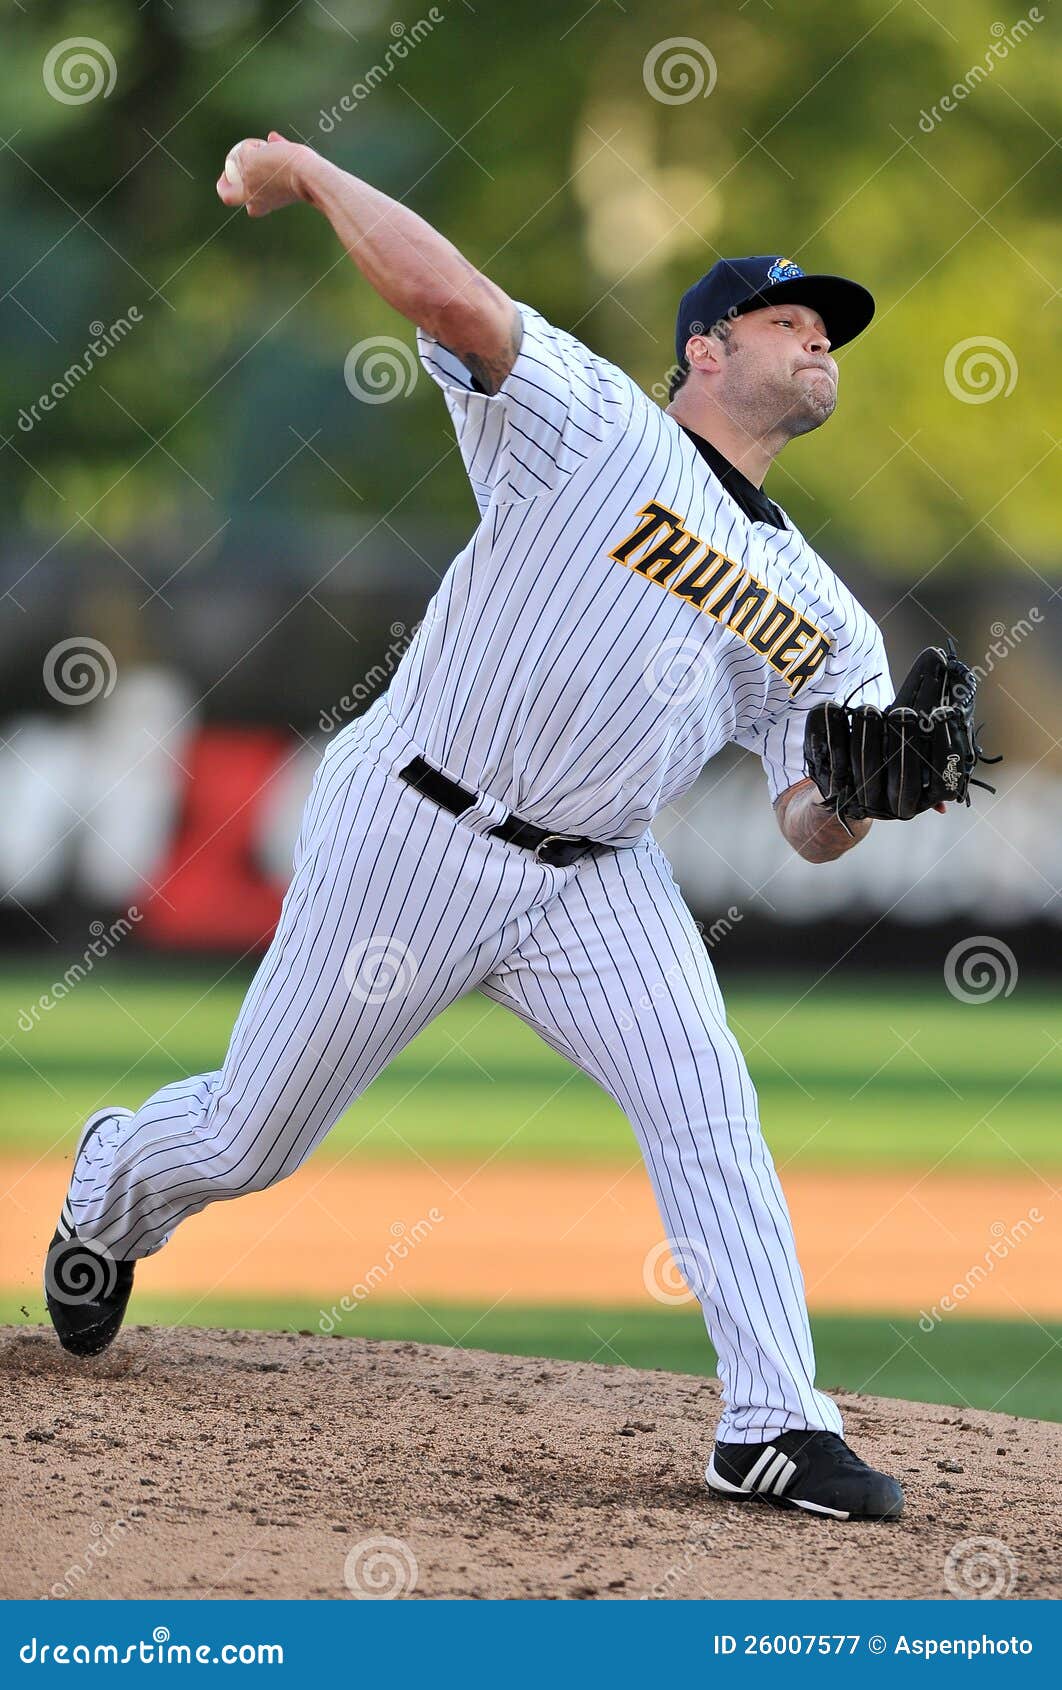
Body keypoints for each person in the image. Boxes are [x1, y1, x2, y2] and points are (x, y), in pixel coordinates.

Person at [47, 134, 904, 1521]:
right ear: (702, 350)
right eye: (787, 319)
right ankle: (112, 1181)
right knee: (253, 1139)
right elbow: (450, 300)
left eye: (828, 332)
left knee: (707, 1104)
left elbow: (808, 826)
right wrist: (311, 171)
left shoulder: (829, 618)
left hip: (597, 877)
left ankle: (772, 1422)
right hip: (416, 822)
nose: (819, 340)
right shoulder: (597, 421)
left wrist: (861, 794)